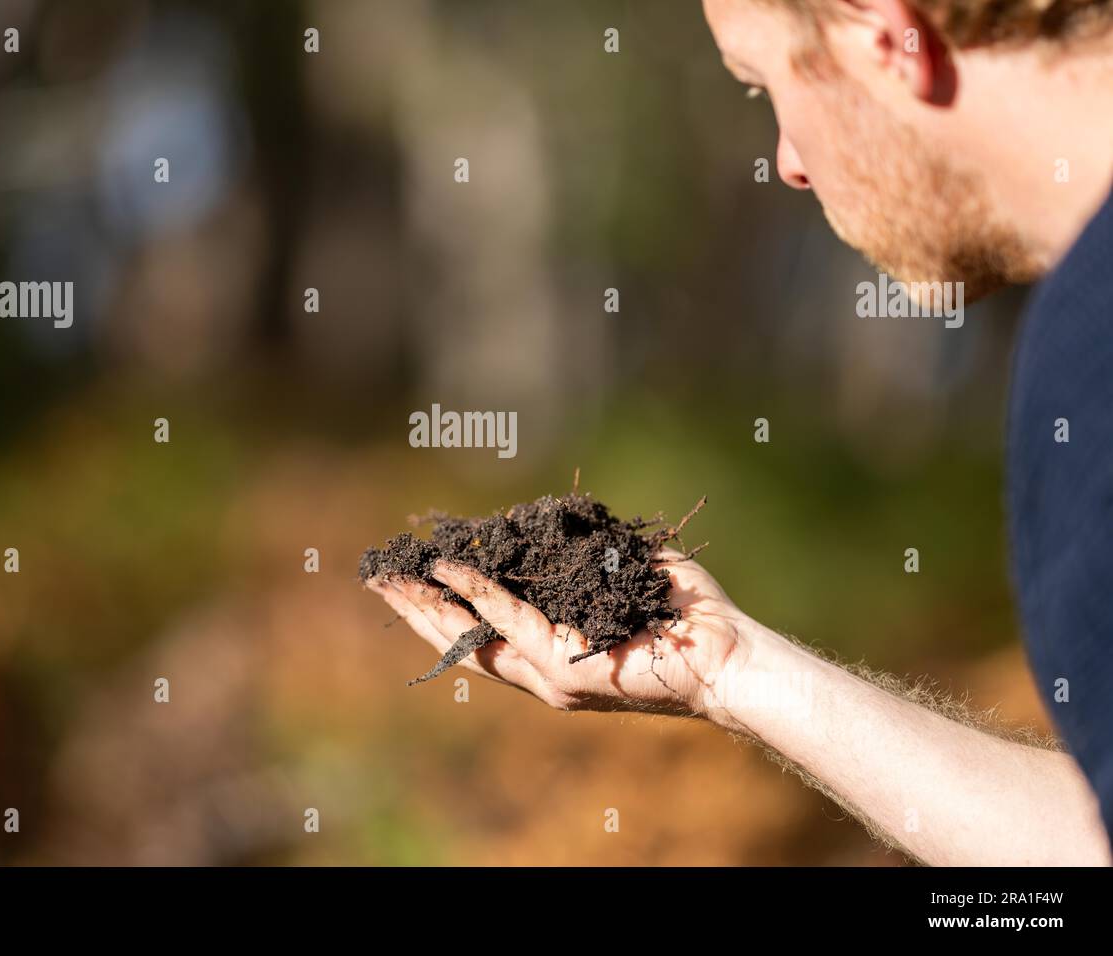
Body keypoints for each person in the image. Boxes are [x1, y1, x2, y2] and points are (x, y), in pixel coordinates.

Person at [366, 0, 1113, 866]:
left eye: (764, 84)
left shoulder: (1089, 363)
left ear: (884, 32)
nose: (788, 164)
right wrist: (734, 672)